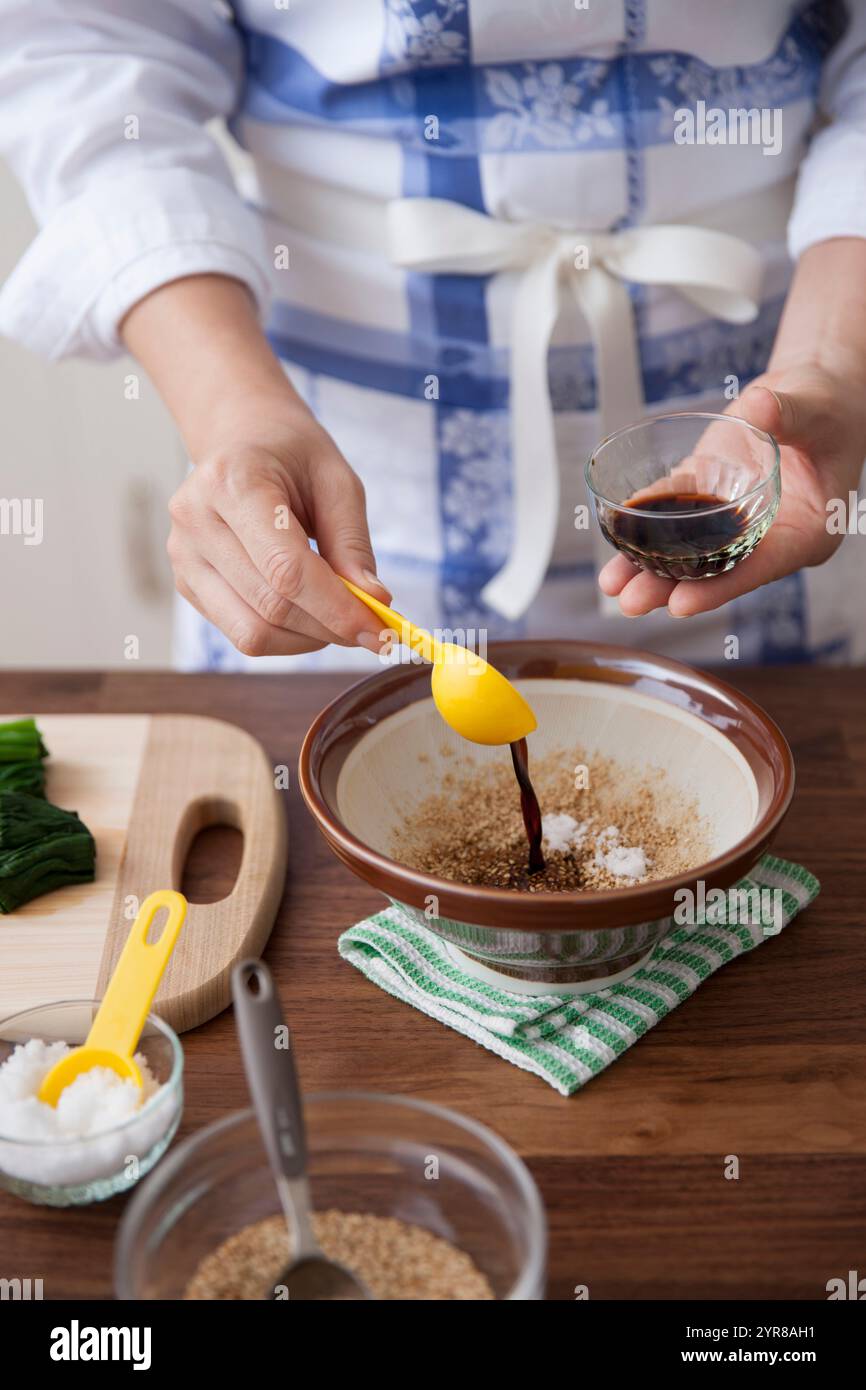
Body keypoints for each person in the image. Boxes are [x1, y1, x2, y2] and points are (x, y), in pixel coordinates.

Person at [1, 0, 865, 672]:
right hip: (331, 443)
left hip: (769, 440)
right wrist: (233, 415)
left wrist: (828, 364)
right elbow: (92, 56)